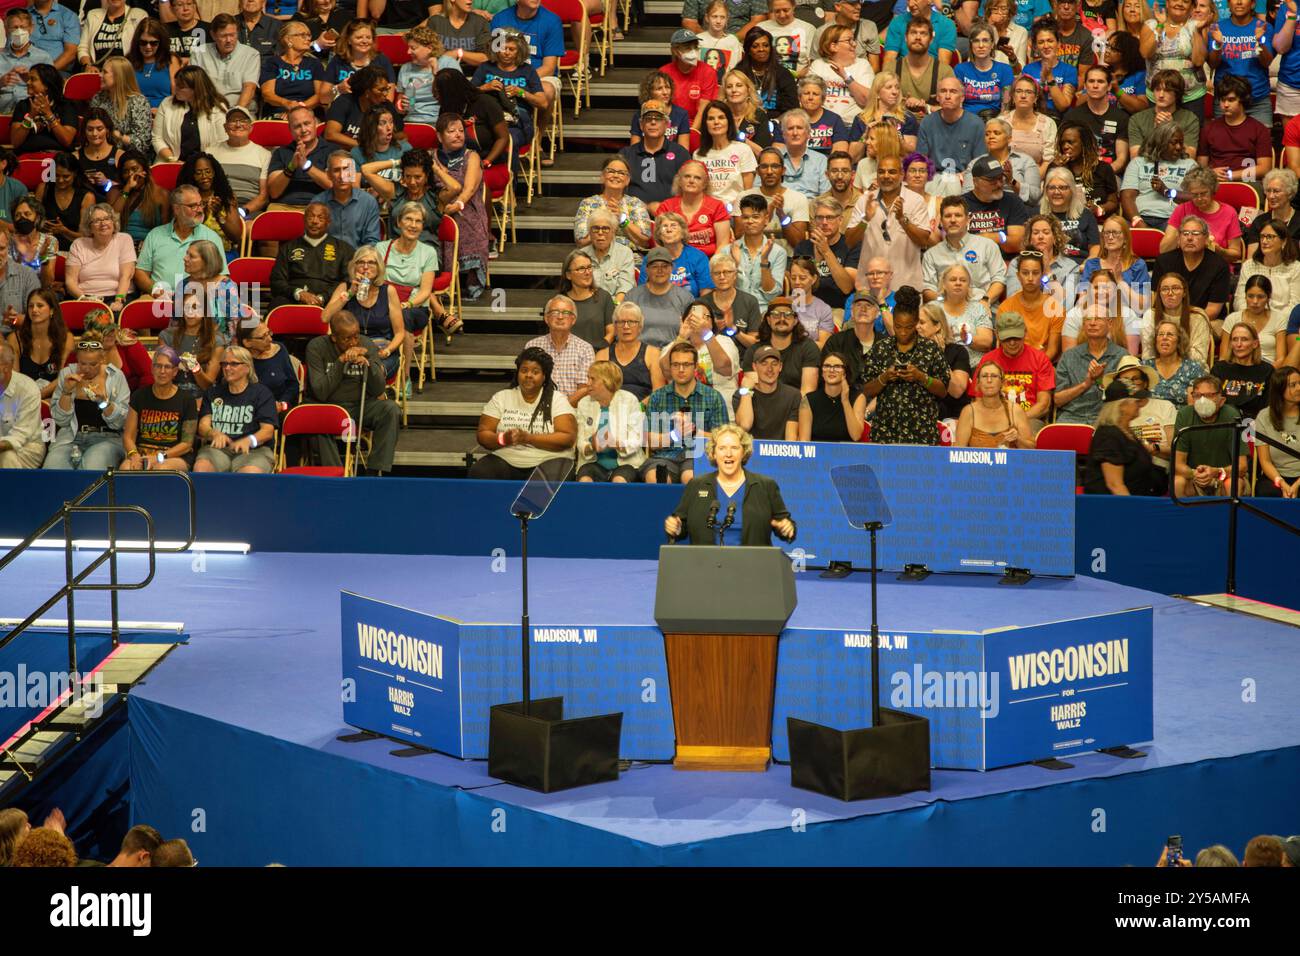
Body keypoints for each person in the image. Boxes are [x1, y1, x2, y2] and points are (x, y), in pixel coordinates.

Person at [664, 423, 796, 546]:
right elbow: (680, 525)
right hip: (705, 565)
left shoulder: (766, 486)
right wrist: (676, 527)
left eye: (734, 448)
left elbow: (784, 524)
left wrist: (786, 528)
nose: (728, 454)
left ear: (744, 452)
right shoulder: (697, 485)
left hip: (752, 565)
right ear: (714, 453)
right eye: (722, 448)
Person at [306, 312, 401, 475]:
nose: (354, 342)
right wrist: (340, 362)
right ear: (334, 337)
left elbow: (378, 389)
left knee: (390, 409)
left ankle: (375, 472)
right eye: (347, 339)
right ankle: (336, 476)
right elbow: (320, 392)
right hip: (330, 408)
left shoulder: (366, 344)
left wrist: (369, 366)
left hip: (361, 406)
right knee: (314, 417)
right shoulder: (316, 347)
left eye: (356, 336)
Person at [470, 345, 576, 480]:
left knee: (550, 480)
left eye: (535, 371)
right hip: (506, 458)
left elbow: (567, 438)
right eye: (524, 370)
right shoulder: (501, 397)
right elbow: (483, 435)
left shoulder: (557, 399)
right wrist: (503, 439)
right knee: (480, 472)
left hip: (549, 459)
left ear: (544, 376)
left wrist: (529, 438)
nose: (528, 375)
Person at [859, 287, 949, 443]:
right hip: (885, 433)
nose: (902, 332)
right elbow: (867, 389)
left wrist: (921, 377)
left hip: (922, 432)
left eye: (908, 327)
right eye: (898, 326)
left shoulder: (930, 349)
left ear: (915, 323)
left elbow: (943, 391)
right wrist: (884, 378)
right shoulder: (881, 348)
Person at [642, 340, 730, 483]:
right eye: (675, 365)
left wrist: (695, 433)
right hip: (664, 456)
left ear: (695, 366)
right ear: (670, 367)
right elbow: (648, 440)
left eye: (686, 364)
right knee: (656, 477)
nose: (681, 369)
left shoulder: (713, 397)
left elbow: (723, 439)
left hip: (699, 455)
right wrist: (675, 435)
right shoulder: (658, 397)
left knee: (690, 477)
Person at [846, 153, 934, 294]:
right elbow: (849, 241)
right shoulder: (865, 200)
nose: (886, 176)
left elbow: (923, 240)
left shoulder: (916, 201)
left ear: (901, 174)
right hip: (870, 286)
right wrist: (865, 220)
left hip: (906, 285)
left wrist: (902, 220)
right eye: (881, 172)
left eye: (892, 172)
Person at [430, 112, 491, 301]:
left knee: (465, 226)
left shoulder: (471, 156)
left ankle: (471, 284)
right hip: (437, 208)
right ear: (440, 136)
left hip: (467, 209)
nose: (458, 134)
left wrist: (457, 204)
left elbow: (470, 188)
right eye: (451, 131)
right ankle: (441, 284)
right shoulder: (431, 158)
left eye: (460, 131)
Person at [44, 336, 130, 470]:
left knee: (91, 466)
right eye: (82, 363)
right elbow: (60, 420)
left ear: (102, 360)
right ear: (77, 360)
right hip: (71, 437)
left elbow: (121, 422)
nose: (87, 369)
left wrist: (104, 404)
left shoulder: (116, 376)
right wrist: (66, 392)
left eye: (93, 364)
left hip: (107, 438)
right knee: (52, 468)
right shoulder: (67, 374)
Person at [322, 245, 406, 380]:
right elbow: (325, 317)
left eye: (371, 262)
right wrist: (350, 293)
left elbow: (400, 332)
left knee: (372, 372)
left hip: (381, 351)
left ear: (379, 268)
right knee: (352, 372)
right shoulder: (345, 288)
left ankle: (375, 397)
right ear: (354, 267)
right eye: (361, 262)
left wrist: (388, 350)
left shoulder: (388, 291)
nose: (366, 267)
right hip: (350, 349)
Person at [192, 346, 278, 474]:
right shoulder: (213, 392)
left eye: (234, 364)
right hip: (218, 450)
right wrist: (214, 433)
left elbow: (267, 431)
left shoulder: (262, 394)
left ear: (247, 367)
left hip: (254, 451)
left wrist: (249, 440)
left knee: (249, 474)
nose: (227, 368)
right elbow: (203, 425)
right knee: (201, 468)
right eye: (224, 364)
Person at [135, 186, 228, 297]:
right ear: (176, 209)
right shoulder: (155, 235)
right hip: (158, 299)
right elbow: (140, 273)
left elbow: (222, 279)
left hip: (198, 301)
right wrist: (155, 290)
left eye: (201, 204)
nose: (199, 210)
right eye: (193, 206)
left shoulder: (211, 237)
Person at [972, 310, 1057, 428]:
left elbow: (1044, 405)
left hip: (1029, 418)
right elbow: (979, 400)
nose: (1012, 343)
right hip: (993, 419)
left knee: (1027, 435)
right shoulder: (987, 360)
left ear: (1025, 333)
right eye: (1007, 338)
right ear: (997, 336)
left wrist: (1016, 420)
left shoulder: (1040, 359)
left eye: (1016, 337)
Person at [1152, 214, 1232, 338]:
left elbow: (1213, 310)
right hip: (1169, 318)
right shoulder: (1164, 261)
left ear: (1206, 239)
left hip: (1206, 319)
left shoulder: (1219, 265)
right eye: (1185, 233)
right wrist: (1172, 323)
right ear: (1178, 238)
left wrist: (1184, 323)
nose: (1189, 238)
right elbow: (1156, 300)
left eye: (1195, 233)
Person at [119, 346, 196, 472]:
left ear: (175, 371)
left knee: (160, 468)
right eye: (158, 366)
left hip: (173, 456)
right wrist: (134, 455)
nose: (162, 371)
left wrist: (159, 457)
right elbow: (128, 436)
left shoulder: (187, 400)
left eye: (167, 367)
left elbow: (187, 444)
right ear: (152, 369)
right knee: (126, 468)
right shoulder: (139, 396)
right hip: (142, 455)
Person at [1083, 377, 1165, 493]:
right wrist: (1132, 510)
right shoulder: (1109, 436)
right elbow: (1115, 485)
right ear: (1122, 406)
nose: (1140, 405)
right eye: (1135, 401)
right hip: (1114, 506)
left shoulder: (1125, 431)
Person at [468, 28, 543, 153]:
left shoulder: (527, 70)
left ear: (519, 51)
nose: (506, 53)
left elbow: (543, 103)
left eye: (511, 49)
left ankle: (508, 172)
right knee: (475, 138)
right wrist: (484, 88)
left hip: (516, 123)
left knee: (508, 140)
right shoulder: (485, 68)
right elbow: (467, 95)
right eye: (503, 48)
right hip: (489, 121)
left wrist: (520, 92)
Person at [921, 196, 1007, 304]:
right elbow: (928, 289)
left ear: (968, 220)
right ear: (941, 222)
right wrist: (945, 302)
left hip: (982, 306)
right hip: (945, 310)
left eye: (958, 215)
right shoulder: (931, 255)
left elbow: (999, 280)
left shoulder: (987, 246)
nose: (952, 220)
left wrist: (985, 301)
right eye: (947, 216)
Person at [269, 201, 354, 308]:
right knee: (276, 304)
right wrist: (298, 293)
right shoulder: (288, 248)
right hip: (293, 299)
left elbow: (348, 281)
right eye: (310, 217)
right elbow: (277, 281)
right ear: (304, 220)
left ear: (328, 222)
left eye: (320, 218)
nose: (314, 221)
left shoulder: (343, 249)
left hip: (330, 301)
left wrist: (323, 297)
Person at [1138, 0, 1208, 128]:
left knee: (1191, 141)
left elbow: (1198, 61)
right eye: (1175, 0)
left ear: (1192, 7)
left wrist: (1197, 31)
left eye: (1186, 1)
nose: (1180, 4)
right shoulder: (1151, 25)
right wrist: (1160, 26)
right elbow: (1145, 53)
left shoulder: (1197, 26)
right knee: (1159, 139)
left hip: (1191, 97)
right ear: (1167, 2)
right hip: (1159, 97)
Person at [1173, 373, 1247, 495]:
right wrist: (1195, 474)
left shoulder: (1232, 415)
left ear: (1222, 400)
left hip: (1224, 475)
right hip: (1194, 477)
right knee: (1178, 481)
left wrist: (1217, 472)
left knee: (1234, 483)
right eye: (1197, 395)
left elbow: (1242, 467)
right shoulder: (1184, 415)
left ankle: (1229, 514)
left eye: (1209, 395)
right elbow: (1177, 463)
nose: (1202, 400)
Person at [574, 360, 646, 482]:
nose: (588, 383)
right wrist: (591, 446)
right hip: (593, 463)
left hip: (626, 463)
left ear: (607, 381)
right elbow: (580, 440)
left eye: (593, 379)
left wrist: (616, 443)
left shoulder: (629, 400)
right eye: (588, 378)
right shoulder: (584, 403)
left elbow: (636, 439)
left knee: (619, 481)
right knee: (584, 480)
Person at [1119, 120, 1195, 234]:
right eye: (1174, 143)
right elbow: (1127, 196)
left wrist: (1167, 191)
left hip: (1173, 220)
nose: (1179, 147)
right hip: (1140, 216)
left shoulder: (1189, 164)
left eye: (1181, 142)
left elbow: (1196, 197)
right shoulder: (1138, 163)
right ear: (1161, 142)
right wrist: (1138, 221)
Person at [1055, 311, 1131, 424]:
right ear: (1083, 325)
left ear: (1109, 323)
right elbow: (1058, 400)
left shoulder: (1122, 356)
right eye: (1088, 319)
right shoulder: (1069, 356)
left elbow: (1127, 399)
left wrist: (1100, 381)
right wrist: (1085, 384)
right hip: (1072, 417)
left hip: (1107, 418)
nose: (1092, 323)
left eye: (1098, 318)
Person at [1159, 166, 1244, 263]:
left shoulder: (1229, 212)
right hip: (1185, 264)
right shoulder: (1182, 209)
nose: (1199, 198)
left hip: (1217, 266)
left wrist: (1219, 250)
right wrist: (1179, 235)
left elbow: (1236, 254)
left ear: (1212, 190)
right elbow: (1164, 250)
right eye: (1194, 195)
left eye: (1203, 193)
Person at [620, 100, 689, 217]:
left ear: (667, 124)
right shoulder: (626, 154)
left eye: (658, 118)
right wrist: (644, 208)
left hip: (672, 217)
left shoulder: (680, 154)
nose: (653, 122)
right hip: (633, 217)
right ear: (641, 125)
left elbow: (689, 191)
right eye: (648, 119)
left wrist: (665, 208)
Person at [525, 294, 596, 405]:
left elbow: (584, 389)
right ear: (546, 318)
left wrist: (561, 409)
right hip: (537, 409)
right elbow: (527, 384)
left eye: (566, 313)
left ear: (573, 320)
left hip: (573, 411)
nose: (560, 317)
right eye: (555, 312)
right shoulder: (532, 346)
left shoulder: (585, 349)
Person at [158, 291, 226, 404]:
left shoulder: (216, 341)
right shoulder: (166, 336)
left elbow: (207, 385)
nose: (190, 312)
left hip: (203, 398)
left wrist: (196, 369)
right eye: (186, 307)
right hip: (170, 395)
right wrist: (176, 364)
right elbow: (161, 375)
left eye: (195, 307)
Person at [740, 297, 820, 392]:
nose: (782, 319)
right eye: (776, 315)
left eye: (788, 315)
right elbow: (752, 390)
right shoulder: (754, 351)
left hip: (798, 404)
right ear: (769, 320)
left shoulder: (808, 348)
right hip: (762, 404)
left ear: (795, 321)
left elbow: (807, 392)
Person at [363, 148, 441, 245]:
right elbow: (366, 170)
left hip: (427, 254)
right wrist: (398, 162)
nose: (412, 182)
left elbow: (455, 188)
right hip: (396, 253)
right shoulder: (394, 192)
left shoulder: (434, 197)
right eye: (408, 176)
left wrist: (435, 168)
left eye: (417, 177)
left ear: (426, 176)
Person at [917, 76, 986, 186]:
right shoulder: (927, 122)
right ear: (938, 97)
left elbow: (979, 163)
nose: (948, 96)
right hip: (934, 179)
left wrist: (959, 178)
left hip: (965, 179)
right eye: (943, 91)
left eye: (953, 92)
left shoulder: (976, 124)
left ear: (962, 98)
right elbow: (921, 161)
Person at [737, 148, 810, 251]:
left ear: (783, 170)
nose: (769, 171)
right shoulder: (744, 197)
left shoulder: (798, 198)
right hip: (751, 258)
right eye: (764, 166)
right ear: (757, 171)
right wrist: (767, 213)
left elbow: (799, 244)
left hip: (788, 260)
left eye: (775, 166)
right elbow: (739, 237)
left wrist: (782, 215)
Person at [659, 160, 733, 259]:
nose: (691, 181)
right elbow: (659, 244)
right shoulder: (667, 207)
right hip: (674, 263)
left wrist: (709, 268)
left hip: (709, 261)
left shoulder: (717, 207)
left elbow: (723, 246)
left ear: (705, 183)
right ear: (679, 181)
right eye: (687, 176)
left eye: (697, 178)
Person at [1063, 64, 1131, 171]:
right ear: (1085, 86)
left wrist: (1104, 174)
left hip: (1109, 173)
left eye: (1100, 81)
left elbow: (1121, 159)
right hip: (1078, 172)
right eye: (1091, 81)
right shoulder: (1072, 117)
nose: (1095, 86)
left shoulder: (1121, 117)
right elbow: (1066, 153)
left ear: (1109, 86)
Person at [999, 251, 1065, 361]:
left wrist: (1034, 367)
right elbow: (1003, 347)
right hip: (1013, 363)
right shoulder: (1005, 307)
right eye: (1025, 273)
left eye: (1035, 273)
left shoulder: (1056, 308)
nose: (1030, 278)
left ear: (1042, 275)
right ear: (1018, 276)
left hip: (1042, 364)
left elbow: (1053, 350)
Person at [1232, 226, 1300, 332]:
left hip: (1284, 325)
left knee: (1298, 340)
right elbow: (1239, 300)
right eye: (1262, 236)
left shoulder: (1295, 268)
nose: (1264, 241)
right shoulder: (1249, 265)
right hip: (1250, 323)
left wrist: (1273, 323)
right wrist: (1252, 319)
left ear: (1284, 241)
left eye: (1270, 237)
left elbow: (1295, 304)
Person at [7, 289, 72, 401]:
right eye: (31, 306)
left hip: (55, 398)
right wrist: (31, 398)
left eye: (40, 305)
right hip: (23, 398)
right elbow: (14, 379)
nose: (34, 310)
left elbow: (64, 376)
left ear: (51, 310)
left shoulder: (66, 338)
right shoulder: (15, 339)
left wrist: (40, 395)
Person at [595, 301, 666, 402]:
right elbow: (596, 391)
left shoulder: (653, 353)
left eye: (632, 322)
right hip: (610, 410)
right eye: (621, 322)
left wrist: (637, 409)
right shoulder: (602, 355)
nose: (626, 327)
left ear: (640, 327)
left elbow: (658, 391)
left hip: (642, 411)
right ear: (614, 327)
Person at [267, 106, 336, 207]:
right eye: (297, 126)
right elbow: (274, 192)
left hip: (321, 208)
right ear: (290, 130)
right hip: (284, 207)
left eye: (307, 123)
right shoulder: (281, 152)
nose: (303, 130)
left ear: (315, 123)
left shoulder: (333, 151)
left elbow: (335, 186)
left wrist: (306, 166)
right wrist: (291, 166)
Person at [178, 152, 246, 256]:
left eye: (208, 171)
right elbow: (180, 232)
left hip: (222, 253)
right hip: (191, 254)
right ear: (192, 175)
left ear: (214, 172)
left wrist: (218, 215)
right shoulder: (185, 198)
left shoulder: (225, 197)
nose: (204, 176)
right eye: (198, 173)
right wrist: (202, 213)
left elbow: (236, 237)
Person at [627, 247, 696, 348]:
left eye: (664, 266)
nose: (660, 270)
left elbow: (693, 333)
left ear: (672, 268)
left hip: (674, 353)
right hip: (639, 354)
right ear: (647, 269)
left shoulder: (685, 298)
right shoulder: (632, 296)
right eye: (655, 266)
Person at [957, 359, 1036, 447]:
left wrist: (1018, 439)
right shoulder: (968, 412)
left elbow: (1032, 449)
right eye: (984, 376)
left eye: (994, 376)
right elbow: (956, 453)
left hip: (1010, 461)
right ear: (978, 383)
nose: (989, 380)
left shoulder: (1015, 410)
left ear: (1002, 383)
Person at [72, 308, 153, 394]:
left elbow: (149, 375)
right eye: (104, 331)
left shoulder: (129, 345)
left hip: (131, 400)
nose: (110, 333)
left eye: (111, 329)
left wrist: (137, 401)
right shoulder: (82, 352)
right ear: (91, 334)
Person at [90, 57, 155, 163]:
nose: (100, 75)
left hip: (130, 158)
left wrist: (118, 136)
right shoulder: (98, 98)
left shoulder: (138, 102)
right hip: (101, 153)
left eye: (104, 72)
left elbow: (142, 144)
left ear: (118, 77)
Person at [733, 342, 805, 439]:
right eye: (764, 363)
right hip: (751, 451)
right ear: (754, 367)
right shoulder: (742, 394)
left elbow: (791, 439)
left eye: (774, 364)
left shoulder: (793, 395)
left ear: (780, 367)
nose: (770, 369)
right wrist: (747, 392)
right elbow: (745, 425)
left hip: (781, 452)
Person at [1062, 267, 1140, 354]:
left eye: (1106, 287)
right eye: (1096, 287)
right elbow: (1069, 357)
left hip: (1119, 366)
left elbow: (1131, 357)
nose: (1101, 291)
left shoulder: (1128, 315)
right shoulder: (1075, 314)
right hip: (1081, 366)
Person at [697, 101, 758, 210]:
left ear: (729, 122)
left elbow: (748, 191)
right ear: (705, 124)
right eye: (711, 119)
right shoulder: (698, 155)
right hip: (709, 211)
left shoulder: (743, 150)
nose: (716, 122)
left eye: (721, 117)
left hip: (737, 210)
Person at [965, 118, 1041, 206]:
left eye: (996, 133)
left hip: (1017, 208)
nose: (991, 137)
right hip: (984, 210)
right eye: (987, 134)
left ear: (1009, 139)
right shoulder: (976, 163)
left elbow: (1035, 196)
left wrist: (1011, 181)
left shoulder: (1025, 161)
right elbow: (967, 195)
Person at [193, 13, 262, 110]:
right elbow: (194, 87)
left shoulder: (251, 54)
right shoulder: (199, 52)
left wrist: (236, 114)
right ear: (213, 35)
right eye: (223, 36)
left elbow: (249, 88)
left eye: (232, 35)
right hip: (207, 110)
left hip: (239, 111)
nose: (229, 40)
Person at [260, 21, 328, 119]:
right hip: (279, 113)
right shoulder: (273, 63)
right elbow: (268, 94)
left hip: (308, 112)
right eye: (303, 35)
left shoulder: (314, 64)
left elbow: (319, 95)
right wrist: (287, 103)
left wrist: (298, 110)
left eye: (309, 35)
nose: (308, 38)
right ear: (288, 39)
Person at [918, 302, 971, 424]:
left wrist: (939, 355)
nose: (916, 326)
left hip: (951, 418)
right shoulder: (912, 352)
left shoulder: (957, 351)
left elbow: (957, 391)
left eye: (921, 322)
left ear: (937, 326)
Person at [1052, 120, 1118, 218]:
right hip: (1065, 220)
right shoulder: (1056, 168)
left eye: (1070, 142)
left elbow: (1113, 202)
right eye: (1063, 143)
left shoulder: (1103, 168)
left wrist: (1099, 209)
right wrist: (1057, 169)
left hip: (1097, 221)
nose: (1065, 146)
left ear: (1084, 143)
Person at [326, 65, 402, 150]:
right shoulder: (344, 102)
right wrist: (365, 146)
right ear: (367, 92)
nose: (385, 93)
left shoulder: (387, 106)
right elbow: (331, 134)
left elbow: (401, 135)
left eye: (387, 89)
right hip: (342, 153)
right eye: (381, 90)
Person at [1127, 69, 1200, 157]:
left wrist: (1172, 130)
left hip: (1177, 167)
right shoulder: (1137, 119)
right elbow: (1135, 157)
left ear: (1177, 93)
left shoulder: (1190, 118)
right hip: (1147, 168)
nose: (1161, 95)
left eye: (1167, 90)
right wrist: (1157, 131)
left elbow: (1190, 156)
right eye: (1157, 89)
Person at [11, 63, 77, 157]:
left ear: (46, 85)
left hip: (58, 158)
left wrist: (48, 114)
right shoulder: (23, 106)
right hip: (28, 156)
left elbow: (67, 140)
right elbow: (15, 142)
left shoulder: (65, 106)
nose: (28, 82)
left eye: (33, 79)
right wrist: (30, 116)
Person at [399, 27, 460, 127]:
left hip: (442, 121)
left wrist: (435, 72)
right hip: (411, 121)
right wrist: (401, 106)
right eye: (408, 48)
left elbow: (456, 99)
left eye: (413, 48)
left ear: (429, 48)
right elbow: (399, 105)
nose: (408, 52)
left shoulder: (448, 63)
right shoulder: (405, 68)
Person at [1254, 365, 1300, 498]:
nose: (1299, 388)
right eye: (1293, 385)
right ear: (1279, 390)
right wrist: (1282, 483)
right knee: (1266, 491)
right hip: (1277, 475)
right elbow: (1265, 461)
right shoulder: (1264, 417)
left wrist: (1296, 485)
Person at [1000, 74, 1058, 179]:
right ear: (1013, 97)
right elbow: (995, 157)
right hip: (1003, 181)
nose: (1023, 96)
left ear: (1035, 98)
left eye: (1028, 92)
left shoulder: (1048, 124)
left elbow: (1047, 162)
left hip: (1037, 181)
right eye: (1019, 91)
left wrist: (1029, 185)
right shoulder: (1001, 122)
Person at [1211, 321, 1273, 418]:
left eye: (1244, 339)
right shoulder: (1219, 369)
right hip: (1225, 422)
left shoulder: (1267, 371)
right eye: (1235, 339)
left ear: (1255, 344)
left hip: (1256, 424)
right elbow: (1212, 402)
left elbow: (1270, 407)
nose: (1239, 344)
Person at [236, 321, 300, 412]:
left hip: (279, 409)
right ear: (247, 342)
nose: (270, 339)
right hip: (248, 411)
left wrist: (282, 404)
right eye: (263, 337)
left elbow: (293, 385)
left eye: (269, 333)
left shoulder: (280, 349)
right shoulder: (236, 360)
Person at [557, 250, 614, 351]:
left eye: (589, 267)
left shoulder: (604, 297)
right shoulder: (560, 303)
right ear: (568, 275)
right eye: (581, 269)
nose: (587, 272)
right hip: (568, 357)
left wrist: (598, 352)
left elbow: (611, 332)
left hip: (598, 357)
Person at [36, 154, 94, 254]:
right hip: (45, 249)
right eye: (57, 175)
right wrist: (41, 223)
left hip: (75, 251)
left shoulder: (87, 197)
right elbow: (33, 220)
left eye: (66, 176)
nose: (60, 180)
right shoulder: (43, 189)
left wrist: (64, 231)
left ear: (75, 174)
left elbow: (86, 237)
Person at [954, 19, 1013, 116]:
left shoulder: (1004, 70)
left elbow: (1005, 109)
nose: (981, 46)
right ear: (971, 44)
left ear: (992, 44)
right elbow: (958, 104)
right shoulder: (960, 69)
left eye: (985, 40)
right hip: (967, 119)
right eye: (976, 41)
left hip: (995, 119)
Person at [1019, 23, 1078, 120]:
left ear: (1058, 43)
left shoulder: (1069, 70)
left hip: (1058, 118)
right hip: (1032, 116)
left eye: (1050, 41)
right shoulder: (1028, 69)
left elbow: (1063, 106)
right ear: (1035, 47)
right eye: (1041, 42)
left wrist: (1049, 76)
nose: (1046, 46)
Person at [704, 250, 762, 347]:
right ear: (711, 277)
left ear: (735, 275)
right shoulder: (702, 303)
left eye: (727, 272)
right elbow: (696, 344)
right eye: (717, 273)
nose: (722, 277)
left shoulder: (750, 302)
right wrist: (714, 330)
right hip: (710, 359)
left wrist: (733, 329)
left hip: (742, 359)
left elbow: (754, 344)